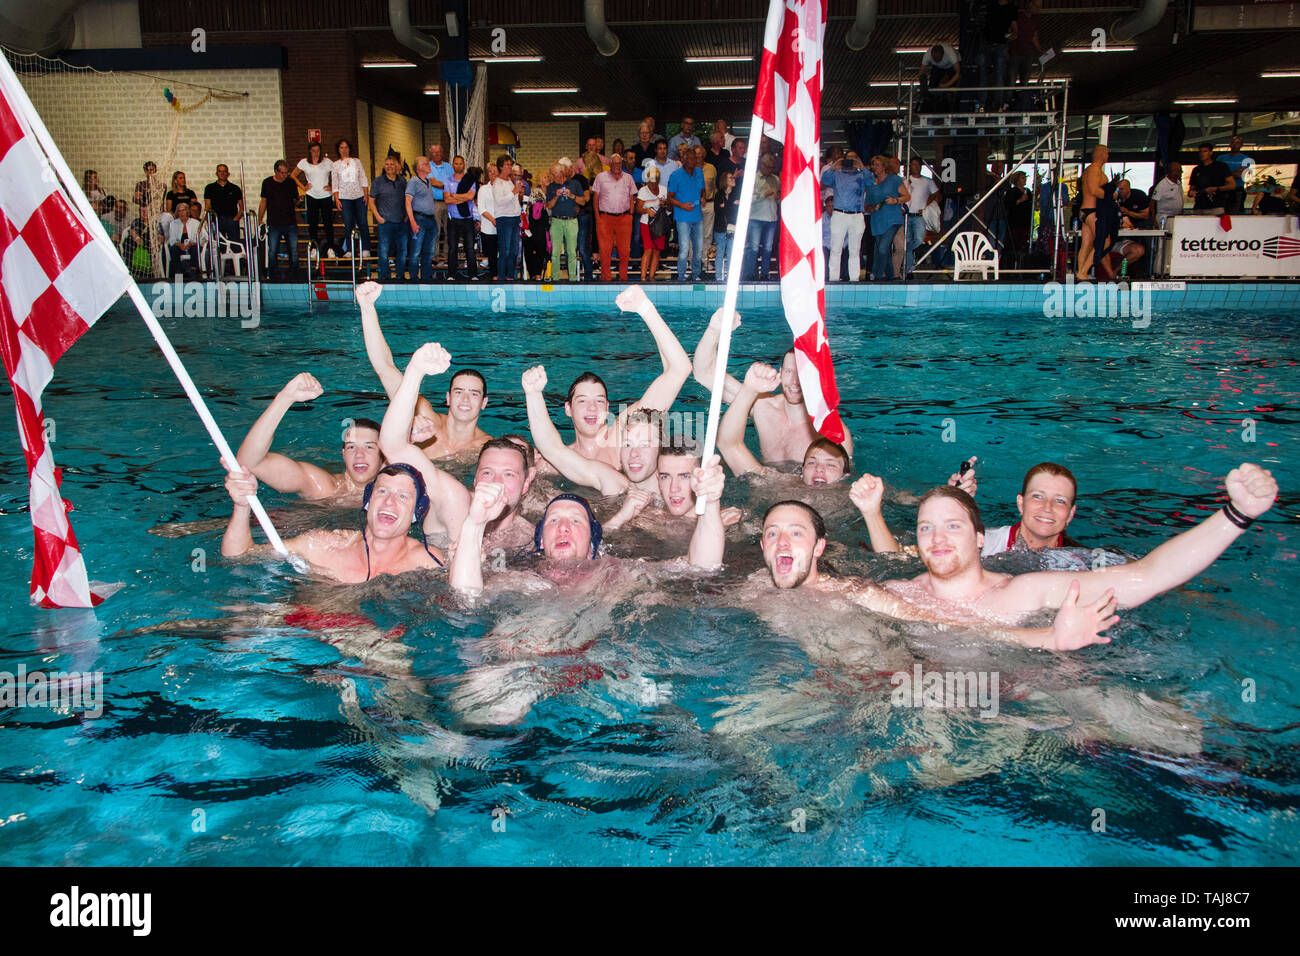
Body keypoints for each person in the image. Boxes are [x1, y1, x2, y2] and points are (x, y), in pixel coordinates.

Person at [877, 464, 1277, 649]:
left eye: (954, 525)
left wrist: (1236, 515)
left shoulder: (1027, 591)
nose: (938, 537)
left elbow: (1149, 576)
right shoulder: (895, 593)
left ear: (980, 538)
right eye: (927, 527)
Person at [749, 499, 1116, 651]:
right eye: (772, 533)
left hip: (880, 687)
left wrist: (1046, 637)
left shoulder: (855, 592)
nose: (782, 541)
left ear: (818, 548)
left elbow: (946, 624)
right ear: (763, 546)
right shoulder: (752, 590)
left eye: (796, 532)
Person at [449, 454, 727, 596]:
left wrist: (711, 502)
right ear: (541, 541)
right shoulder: (519, 579)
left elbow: (702, 568)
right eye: (554, 520)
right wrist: (474, 525)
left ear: (594, 542)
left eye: (576, 520)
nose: (563, 527)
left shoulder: (618, 573)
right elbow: (466, 599)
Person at [221, 462, 444, 583]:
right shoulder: (322, 545)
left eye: (402, 496)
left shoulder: (428, 561)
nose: (389, 502)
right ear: (368, 501)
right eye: (382, 491)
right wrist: (242, 506)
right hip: (304, 634)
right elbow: (239, 557)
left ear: (417, 511)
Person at [550, 285, 692, 471]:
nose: (592, 408)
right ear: (568, 409)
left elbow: (679, 370)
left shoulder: (625, 434)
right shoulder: (554, 462)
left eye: (599, 401)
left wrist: (645, 308)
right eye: (582, 400)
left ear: (608, 407)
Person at [693, 312, 855, 463]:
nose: (794, 381)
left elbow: (843, 478)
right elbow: (704, 374)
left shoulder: (829, 428)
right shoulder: (761, 406)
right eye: (789, 371)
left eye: (802, 374)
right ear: (781, 372)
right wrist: (713, 331)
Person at [355, 282, 492, 459]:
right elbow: (385, 367)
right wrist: (367, 307)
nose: (465, 399)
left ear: (484, 402)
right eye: (458, 392)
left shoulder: (486, 448)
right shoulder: (423, 416)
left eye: (474, 394)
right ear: (448, 398)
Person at [235, 373, 383, 503]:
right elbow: (249, 462)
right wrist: (285, 398)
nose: (359, 454)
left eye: (369, 447)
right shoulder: (323, 487)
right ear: (343, 454)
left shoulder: (396, 489)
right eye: (351, 447)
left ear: (383, 455)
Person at [716, 362, 852, 487]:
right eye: (811, 462)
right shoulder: (778, 485)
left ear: (845, 476)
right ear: (802, 471)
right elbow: (729, 445)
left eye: (831, 465)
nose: (819, 469)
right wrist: (749, 390)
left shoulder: (860, 498)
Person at [821, 151, 868, 282]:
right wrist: (834, 166)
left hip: (857, 215)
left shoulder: (861, 175)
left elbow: (871, 182)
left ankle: (854, 279)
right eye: (848, 159)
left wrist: (862, 167)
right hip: (839, 214)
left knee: (855, 250)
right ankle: (834, 279)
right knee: (835, 248)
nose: (851, 161)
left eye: (854, 159)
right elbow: (824, 180)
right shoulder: (837, 174)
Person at [593, 152, 639, 282]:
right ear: (610, 164)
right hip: (605, 218)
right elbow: (595, 198)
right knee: (605, 250)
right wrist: (597, 216)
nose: (617, 166)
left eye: (619, 163)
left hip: (624, 218)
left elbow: (632, 197)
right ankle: (606, 279)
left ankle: (623, 278)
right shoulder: (601, 177)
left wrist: (630, 214)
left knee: (624, 251)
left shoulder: (628, 178)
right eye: (615, 163)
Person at [864, 154, 909, 280]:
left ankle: (877, 275)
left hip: (892, 219)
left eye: (877, 164)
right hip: (877, 220)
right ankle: (891, 276)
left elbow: (907, 196)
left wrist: (895, 200)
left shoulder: (894, 180)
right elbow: (867, 205)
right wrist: (872, 208)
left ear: (884, 166)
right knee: (881, 248)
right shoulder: (871, 185)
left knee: (883, 248)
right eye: (873, 165)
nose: (874, 167)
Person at [667, 148, 706, 281]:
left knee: (699, 249)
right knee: (684, 249)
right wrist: (682, 205)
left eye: (694, 158)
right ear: (683, 159)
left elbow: (703, 189)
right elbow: (669, 198)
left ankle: (696, 275)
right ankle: (681, 275)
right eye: (688, 158)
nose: (691, 161)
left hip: (697, 216)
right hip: (682, 218)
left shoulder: (699, 172)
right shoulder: (675, 175)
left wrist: (703, 198)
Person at [258, 159, 300, 280]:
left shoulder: (291, 182)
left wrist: (299, 201)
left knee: (294, 251)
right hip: (274, 222)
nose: (285, 175)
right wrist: (260, 218)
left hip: (290, 222)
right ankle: (272, 275)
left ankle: (294, 276)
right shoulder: (267, 183)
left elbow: (295, 201)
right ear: (276, 171)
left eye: (286, 173)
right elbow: (263, 202)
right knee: (272, 251)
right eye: (282, 173)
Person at [368, 154, 408, 281]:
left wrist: (407, 215)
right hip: (385, 223)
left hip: (401, 222)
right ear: (384, 167)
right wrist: (377, 217)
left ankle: (400, 275)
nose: (389, 167)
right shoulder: (378, 182)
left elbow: (408, 200)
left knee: (402, 251)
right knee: (384, 251)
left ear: (397, 166)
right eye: (387, 164)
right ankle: (384, 276)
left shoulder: (402, 181)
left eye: (392, 164)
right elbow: (371, 200)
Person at [293, 142, 335, 260]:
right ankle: (314, 249)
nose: (316, 153)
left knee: (328, 223)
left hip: (326, 196)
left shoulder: (327, 162)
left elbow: (338, 174)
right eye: (313, 151)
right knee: (313, 224)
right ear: (309, 151)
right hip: (311, 195)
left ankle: (330, 249)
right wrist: (303, 187)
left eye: (318, 150)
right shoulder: (304, 162)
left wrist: (333, 187)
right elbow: (293, 175)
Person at [901, 157, 940, 276]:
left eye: (917, 164)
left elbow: (937, 195)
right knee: (906, 240)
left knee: (918, 240)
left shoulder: (928, 181)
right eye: (913, 164)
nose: (915, 167)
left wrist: (929, 206)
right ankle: (909, 269)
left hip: (919, 216)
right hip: (906, 215)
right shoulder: (905, 181)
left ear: (921, 166)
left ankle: (907, 253)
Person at [443, 157, 480, 281]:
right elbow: (447, 200)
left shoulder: (470, 180)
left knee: (469, 248)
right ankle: (451, 274)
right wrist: (461, 198)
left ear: (464, 165)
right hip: (453, 219)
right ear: (453, 165)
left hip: (467, 219)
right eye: (456, 163)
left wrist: (454, 196)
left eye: (460, 164)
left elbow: (470, 197)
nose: (458, 166)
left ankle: (473, 274)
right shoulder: (447, 180)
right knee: (452, 248)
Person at [332, 138, 370, 258]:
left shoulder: (357, 161)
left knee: (363, 222)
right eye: (341, 147)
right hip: (344, 197)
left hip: (359, 196)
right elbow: (335, 183)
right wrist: (337, 199)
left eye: (346, 147)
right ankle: (349, 249)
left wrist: (365, 194)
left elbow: (363, 178)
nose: (344, 150)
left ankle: (365, 248)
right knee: (348, 223)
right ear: (338, 150)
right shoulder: (335, 165)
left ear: (349, 149)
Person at [1075, 143, 1108, 281]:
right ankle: (1083, 270)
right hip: (1091, 210)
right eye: (1107, 153)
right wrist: (1110, 195)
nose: (1108, 156)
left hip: (1085, 211)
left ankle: (1081, 273)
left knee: (1086, 244)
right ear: (1101, 155)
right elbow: (1094, 190)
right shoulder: (1094, 169)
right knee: (1104, 241)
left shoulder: (1090, 170)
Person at [489, 154, 524, 280]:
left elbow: (513, 201)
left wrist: (518, 195)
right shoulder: (497, 183)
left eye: (511, 164)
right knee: (505, 250)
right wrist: (514, 192)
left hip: (514, 217)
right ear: (500, 167)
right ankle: (502, 277)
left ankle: (510, 276)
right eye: (507, 165)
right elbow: (500, 201)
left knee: (514, 250)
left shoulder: (510, 181)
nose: (510, 167)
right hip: (504, 219)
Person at [404, 157, 438, 281]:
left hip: (430, 220)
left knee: (429, 251)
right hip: (419, 219)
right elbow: (408, 202)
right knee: (415, 251)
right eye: (426, 163)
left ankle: (426, 276)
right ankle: (413, 278)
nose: (429, 165)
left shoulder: (428, 182)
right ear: (419, 168)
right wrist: (412, 222)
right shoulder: (413, 182)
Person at [635, 166, 667, 282]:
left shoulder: (663, 189)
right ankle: (643, 277)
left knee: (657, 250)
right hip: (646, 223)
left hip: (660, 223)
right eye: (650, 181)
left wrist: (665, 204)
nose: (652, 184)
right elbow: (638, 209)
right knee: (648, 249)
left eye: (655, 181)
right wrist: (646, 210)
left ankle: (651, 276)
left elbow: (669, 207)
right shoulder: (643, 190)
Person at [426, 143, 456, 263]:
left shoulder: (449, 167)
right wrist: (447, 185)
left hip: (450, 202)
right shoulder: (428, 166)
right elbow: (433, 182)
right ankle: (435, 256)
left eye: (438, 152)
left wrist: (445, 185)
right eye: (434, 152)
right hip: (436, 202)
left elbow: (454, 181)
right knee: (436, 231)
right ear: (430, 153)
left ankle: (447, 255)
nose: (437, 154)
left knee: (450, 230)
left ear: (442, 153)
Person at [203, 164, 245, 246]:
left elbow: (242, 208)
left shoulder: (235, 188)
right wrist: (207, 221)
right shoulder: (209, 188)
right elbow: (207, 207)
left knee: (235, 246)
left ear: (228, 174)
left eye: (224, 171)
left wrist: (235, 219)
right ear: (216, 173)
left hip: (232, 220)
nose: (222, 173)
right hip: (217, 221)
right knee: (219, 246)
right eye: (220, 171)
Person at [1188, 145, 1235, 214]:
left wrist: (1216, 188)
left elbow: (1232, 185)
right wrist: (1191, 192)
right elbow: (1192, 188)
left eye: (1205, 151)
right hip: (1199, 206)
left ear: (1210, 153)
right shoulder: (1196, 169)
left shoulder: (1221, 166)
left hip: (1216, 206)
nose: (1202, 154)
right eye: (1200, 152)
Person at [713, 170, 740, 282]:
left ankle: (730, 276)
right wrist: (731, 205)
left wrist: (725, 206)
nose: (733, 179)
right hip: (720, 228)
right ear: (725, 180)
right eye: (730, 178)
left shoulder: (736, 194)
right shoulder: (719, 194)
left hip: (732, 228)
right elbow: (718, 209)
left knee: (731, 254)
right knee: (720, 253)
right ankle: (718, 276)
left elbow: (731, 208)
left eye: (733, 178)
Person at [918, 43, 961, 111]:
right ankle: (931, 106)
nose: (936, 60)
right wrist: (923, 84)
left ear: (943, 55)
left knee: (952, 87)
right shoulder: (927, 55)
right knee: (932, 86)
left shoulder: (950, 54)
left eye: (938, 58)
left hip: (951, 67)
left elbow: (958, 74)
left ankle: (951, 106)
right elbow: (921, 72)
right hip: (937, 68)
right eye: (934, 58)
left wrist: (946, 85)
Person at [1218, 135, 1254, 214]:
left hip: (1238, 190)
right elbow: (1217, 174)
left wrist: (1225, 174)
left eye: (1237, 143)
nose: (1235, 145)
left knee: (1236, 213)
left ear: (1241, 145)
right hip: (1223, 189)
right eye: (1233, 143)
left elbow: (1239, 174)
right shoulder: (1221, 158)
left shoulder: (1245, 159)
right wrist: (1232, 173)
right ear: (1230, 144)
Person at [166, 200, 201, 277]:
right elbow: (172, 240)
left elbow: (204, 238)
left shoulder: (195, 223)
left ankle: (193, 271)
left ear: (187, 211)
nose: (181, 213)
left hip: (192, 245)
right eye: (179, 211)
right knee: (173, 249)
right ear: (177, 213)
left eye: (183, 210)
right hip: (179, 246)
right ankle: (178, 274)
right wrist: (179, 245)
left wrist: (192, 243)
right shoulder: (173, 224)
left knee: (195, 248)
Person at [478, 162, 499, 277]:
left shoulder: (505, 187)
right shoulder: (483, 189)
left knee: (503, 254)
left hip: (502, 227)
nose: (493, 174)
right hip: (488, 228)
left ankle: (503, 276)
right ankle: (494, 276)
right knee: (492, 255)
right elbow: (481, 208)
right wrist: (493, 220)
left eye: (495, 171)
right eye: (490, 171)